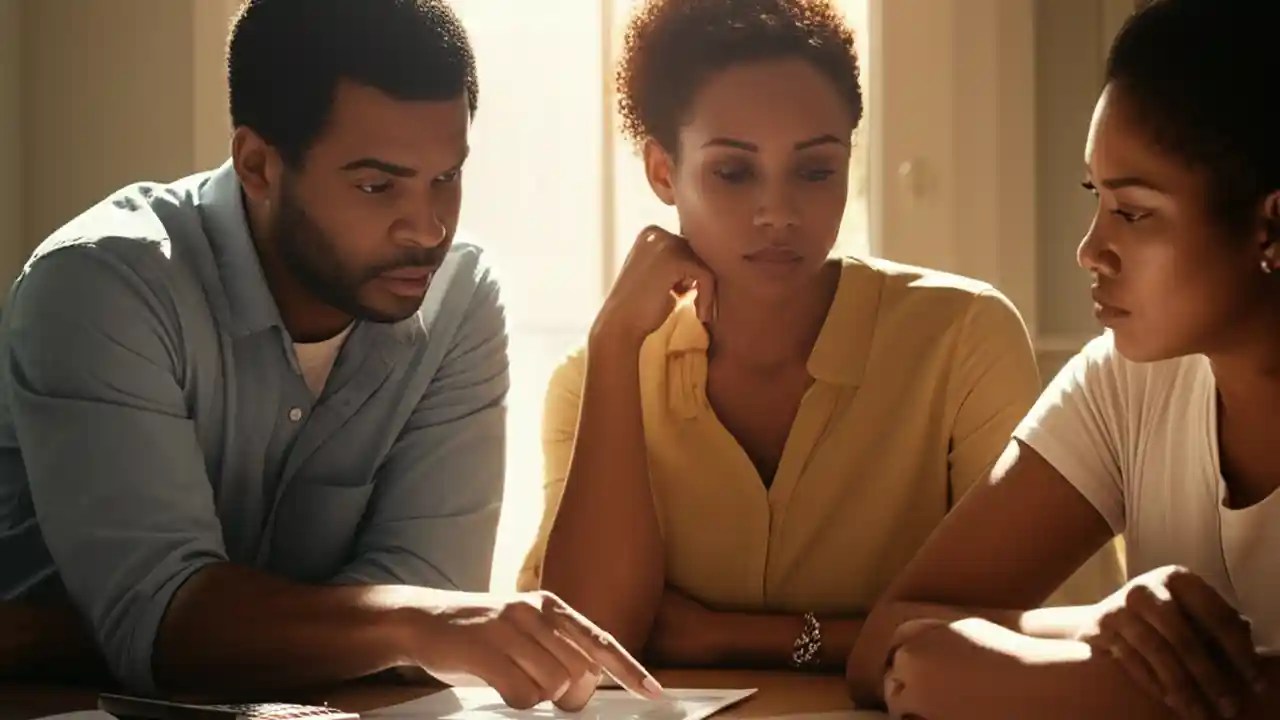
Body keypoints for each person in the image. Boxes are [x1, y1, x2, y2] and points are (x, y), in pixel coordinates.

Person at [0, 0, 660, 711]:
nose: (428, 227)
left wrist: (111, 630)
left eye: (447, 177)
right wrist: (402, 624)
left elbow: (424, 603)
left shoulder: (457, 300)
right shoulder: (104, 284)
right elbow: (166, 628)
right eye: (377, 186)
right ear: (257, 165)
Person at [519, 0, 1121, 674]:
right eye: (733, 172)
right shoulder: (595, 379)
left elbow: (1043, 633)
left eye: (814, 171)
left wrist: (732, 637)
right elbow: (584, 648)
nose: (778, 212)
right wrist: (613, 344)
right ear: (664, 172)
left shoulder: (962, 340)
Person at [847, 2, 1280, 718]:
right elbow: (891, 638)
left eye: (1134, 213)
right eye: (1096, 199)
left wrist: (1053, 677)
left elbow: (927, 661)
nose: (1090, 250)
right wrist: (1103, 629)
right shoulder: (1127, 381)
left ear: (1270, 225)